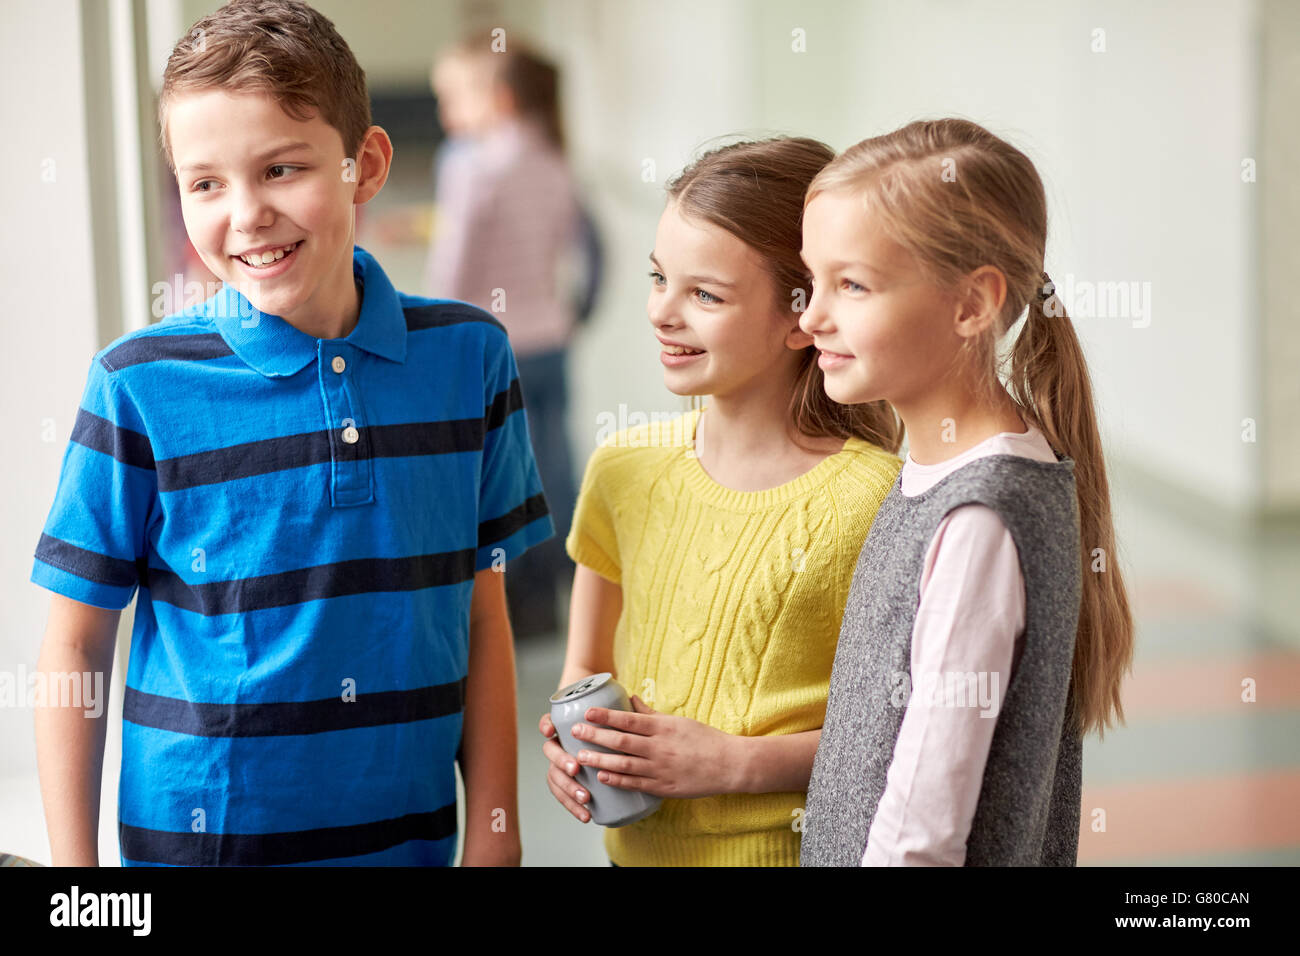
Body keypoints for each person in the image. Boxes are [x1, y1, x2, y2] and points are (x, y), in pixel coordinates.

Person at [29, 0, 551, 867]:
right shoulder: (138, 382)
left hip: (408, 845)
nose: (246, 214)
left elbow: (480, 607)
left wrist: (497, 836)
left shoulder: (471, 357)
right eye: (205, 183)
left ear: (366, 164)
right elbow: (75, 638)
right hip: (195, 849)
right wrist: (74, 880)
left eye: (280, 169)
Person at [537, 137, 905, 866]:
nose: (662, 313)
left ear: (801, 318)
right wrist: (568, 743)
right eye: (658, 278)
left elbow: (904, 730)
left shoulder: (873, 499)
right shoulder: (621, 471)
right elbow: (582, 669)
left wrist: (733, 765)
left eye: (705, 294)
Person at [798, 118, 1136, 866]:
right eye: (812, 279)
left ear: (972, 306)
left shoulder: (979, 519)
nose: (812, 315)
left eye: (852, 284)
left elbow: (922, 834)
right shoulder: (948, 472)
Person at [426, 38, 590, 637]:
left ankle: (516, 609)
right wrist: (572, 310)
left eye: (453, 98)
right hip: (551, 340)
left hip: (495, 350)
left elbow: (454, 264)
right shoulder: (554, 158)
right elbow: (583, 248)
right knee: (555, 467)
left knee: (502, 477)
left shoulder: (470, 165)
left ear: (496, 98)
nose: (447, 115)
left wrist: (431, 330)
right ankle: (552, 601)